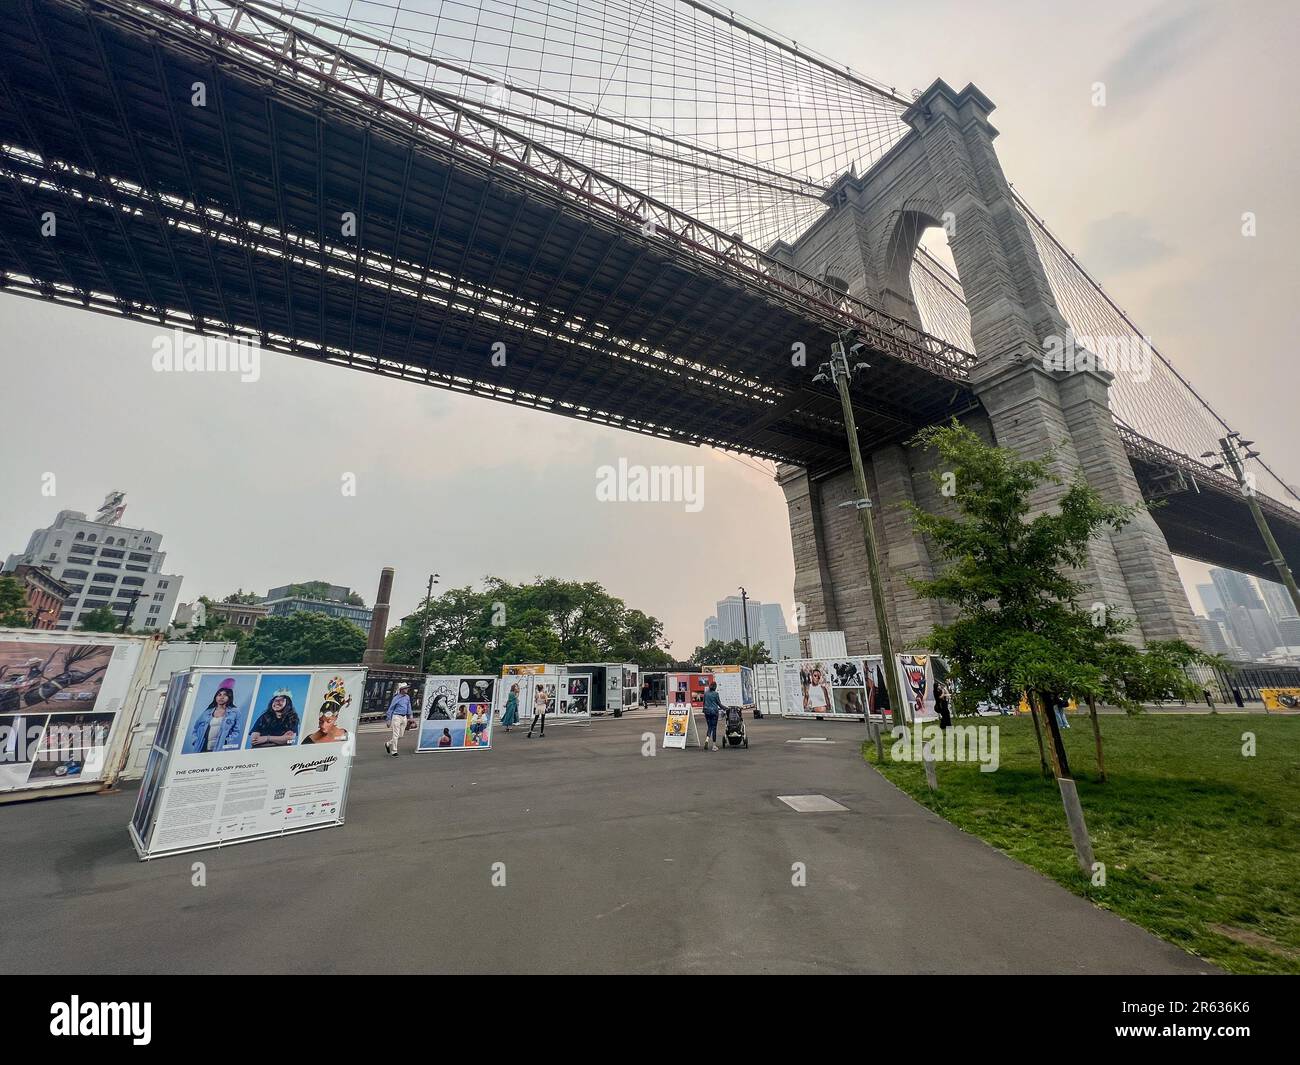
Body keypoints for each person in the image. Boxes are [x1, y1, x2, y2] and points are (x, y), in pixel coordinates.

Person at [185, 678, 243, 753]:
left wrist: (226, 741)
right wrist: (195, 741)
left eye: (225, 695)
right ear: (215, 697)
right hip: (202, 748)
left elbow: (237, 731)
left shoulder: (235, 712)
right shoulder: (207, 712)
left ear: (229, 697)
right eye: (219, 695)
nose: (221, 697)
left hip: (220, 749)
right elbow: (195, 728)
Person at [385, 683, 412, 756]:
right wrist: (388, 719)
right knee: (395, 735)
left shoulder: (407, 697)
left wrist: (410, 716)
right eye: (405, 688)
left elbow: (409, 706)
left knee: (401, 735)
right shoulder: (396, 698)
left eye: (407, 688)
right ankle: (394, 751)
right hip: (396, 716)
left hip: (404, 717)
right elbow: (391, 709)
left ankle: (388, 743)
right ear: (401, 690)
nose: (407, 689)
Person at [702, 681, 723, 751]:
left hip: (707, 712)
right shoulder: (716, 694)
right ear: (715, 687)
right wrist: (726, 708)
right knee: (714, 728)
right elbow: (719, 704)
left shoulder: (705, 693)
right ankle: (714, 746)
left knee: (709, 726)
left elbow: (704, 703)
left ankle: (707, 739)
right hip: (714, 712)